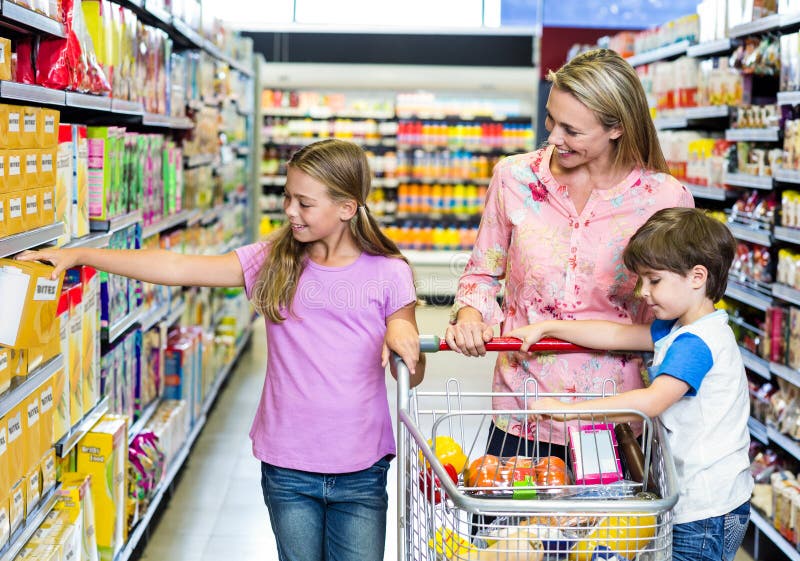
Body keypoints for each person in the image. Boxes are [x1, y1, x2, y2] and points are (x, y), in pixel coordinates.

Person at [19, 138, 426, 561]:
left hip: (361, 468)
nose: (290, 210)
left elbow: (412, 374)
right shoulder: (274, 260)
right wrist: (83, 255)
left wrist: (402, 334)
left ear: (347, 207)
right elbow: (178, 267)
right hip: (288, 464)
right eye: (287, 197)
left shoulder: (389, 273)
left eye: (304, 203)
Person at [444, 48, 694, 461]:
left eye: (572, 130)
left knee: (609, 510)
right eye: (551, 120)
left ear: (617, 128)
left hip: (617, 414)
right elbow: (482, 274)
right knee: (509, 507)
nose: (553, 138)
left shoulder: (664, 198)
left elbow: (685, 309)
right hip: (523, 409)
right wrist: (470, 315)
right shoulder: (514, 177)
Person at [509, 207, 753, 561]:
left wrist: (567, 411)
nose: (642, 292)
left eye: (654, 280)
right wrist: (549, 327)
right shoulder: (680, 329)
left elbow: (651, 402)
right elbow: (615, 334)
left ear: (697, 277)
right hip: (704, 500)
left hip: (705, 511)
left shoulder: (697, 343)